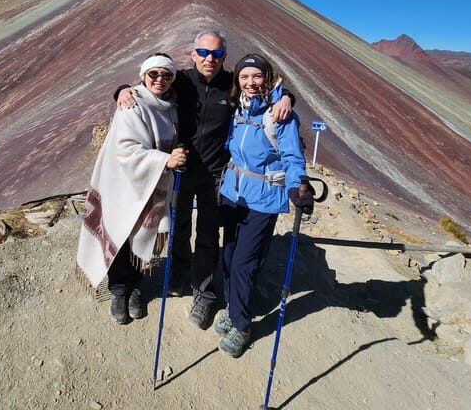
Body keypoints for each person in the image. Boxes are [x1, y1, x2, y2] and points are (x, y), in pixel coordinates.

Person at [117, 31, 295, 330]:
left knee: (209, 237)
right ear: (193, 54)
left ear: (224, 57)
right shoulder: (181, 81)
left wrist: (289, 97)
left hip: (217, 176)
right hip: (182, 170)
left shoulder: (232, 84)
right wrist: (122, 89)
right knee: (179, 227)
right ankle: (178, 271)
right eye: (203, 52)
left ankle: (205, 293)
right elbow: (149, 87)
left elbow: (267, 89)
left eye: (216, 54)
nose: (209, 58)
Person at [214, 53, 313, 357]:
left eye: (256, 76)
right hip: (234, 193)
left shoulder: (280, 115)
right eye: (244, 77)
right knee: (229, 256)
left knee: (244, 261)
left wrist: (298, 185)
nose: (250, 82)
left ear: (267, 78)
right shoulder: (237, 108)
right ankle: (233, 308)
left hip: (264, 198)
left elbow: (293, 157)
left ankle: (242, 325)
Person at [77, 54, 188, 324]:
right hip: (123, 183)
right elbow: (126, 149)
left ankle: (136, 285)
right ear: (143, 76)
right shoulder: (131, 102)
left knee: (143, 234)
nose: (160, 79)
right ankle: (118, 290)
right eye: (153, 74)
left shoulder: (172, 104)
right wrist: (165, 160)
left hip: (153, 183)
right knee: (120, 232)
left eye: (166, 75)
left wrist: (285, 96)